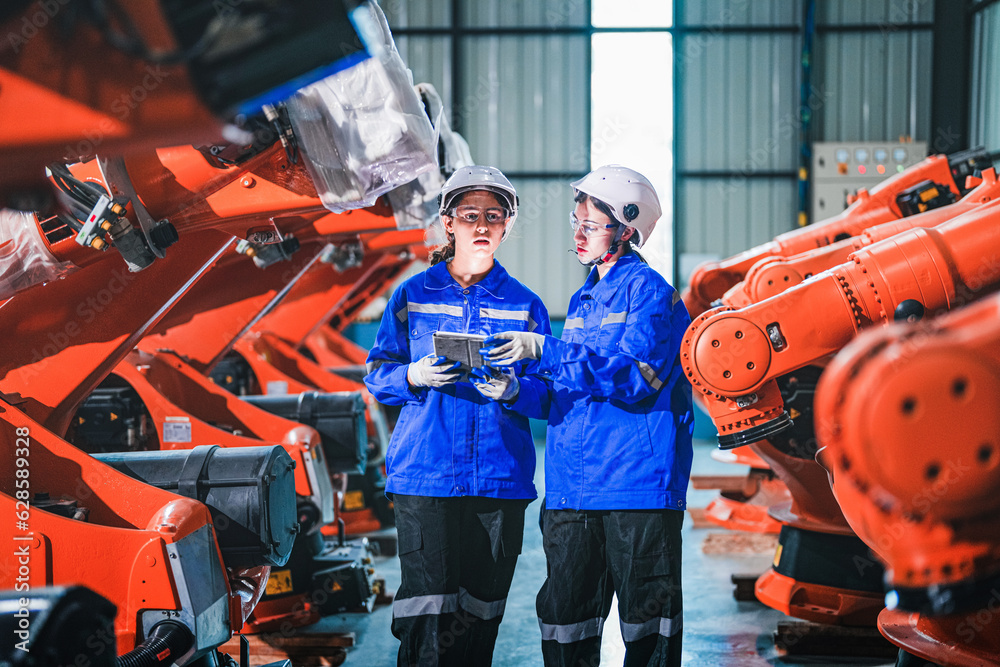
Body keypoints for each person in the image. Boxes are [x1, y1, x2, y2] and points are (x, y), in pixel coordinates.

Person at [483, 165, 694, 667]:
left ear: (626, 228)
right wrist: (516, 391)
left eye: (589, 224)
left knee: (649, 629)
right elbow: (566, 394)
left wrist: (547, 350)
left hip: (635, 489)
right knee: (564, 623)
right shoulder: (583, 299)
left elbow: (638, 376)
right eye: (575, 222)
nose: (577, 233)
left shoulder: (650, 293)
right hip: (572, 491)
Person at [364, 165, 551, 667]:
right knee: (428, 613)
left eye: (494, 215)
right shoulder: (412, 295)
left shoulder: (525, 305)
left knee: (481, 612)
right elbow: (377, 372)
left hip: (499, 480)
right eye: (470, 215)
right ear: (449, 223)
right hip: (425, 476)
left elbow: (547, 394)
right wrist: (412, 377)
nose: (482, 225)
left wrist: (515, 390)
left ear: (508, 224)